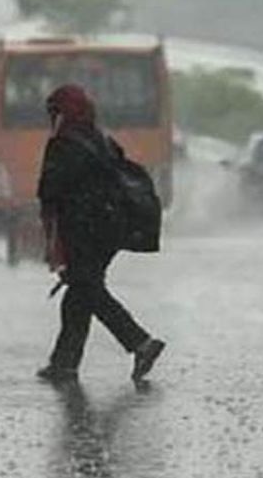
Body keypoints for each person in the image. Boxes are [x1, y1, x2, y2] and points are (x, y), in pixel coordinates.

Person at [34, 84, 165, 383]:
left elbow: (50, 190)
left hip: (82, 229)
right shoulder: (101, 139)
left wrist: (50, 234)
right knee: (79, 293)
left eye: (53, 112)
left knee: (88, 289)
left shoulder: (64, 143)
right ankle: (64, 364)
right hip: (110, 229)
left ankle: (140, 342)